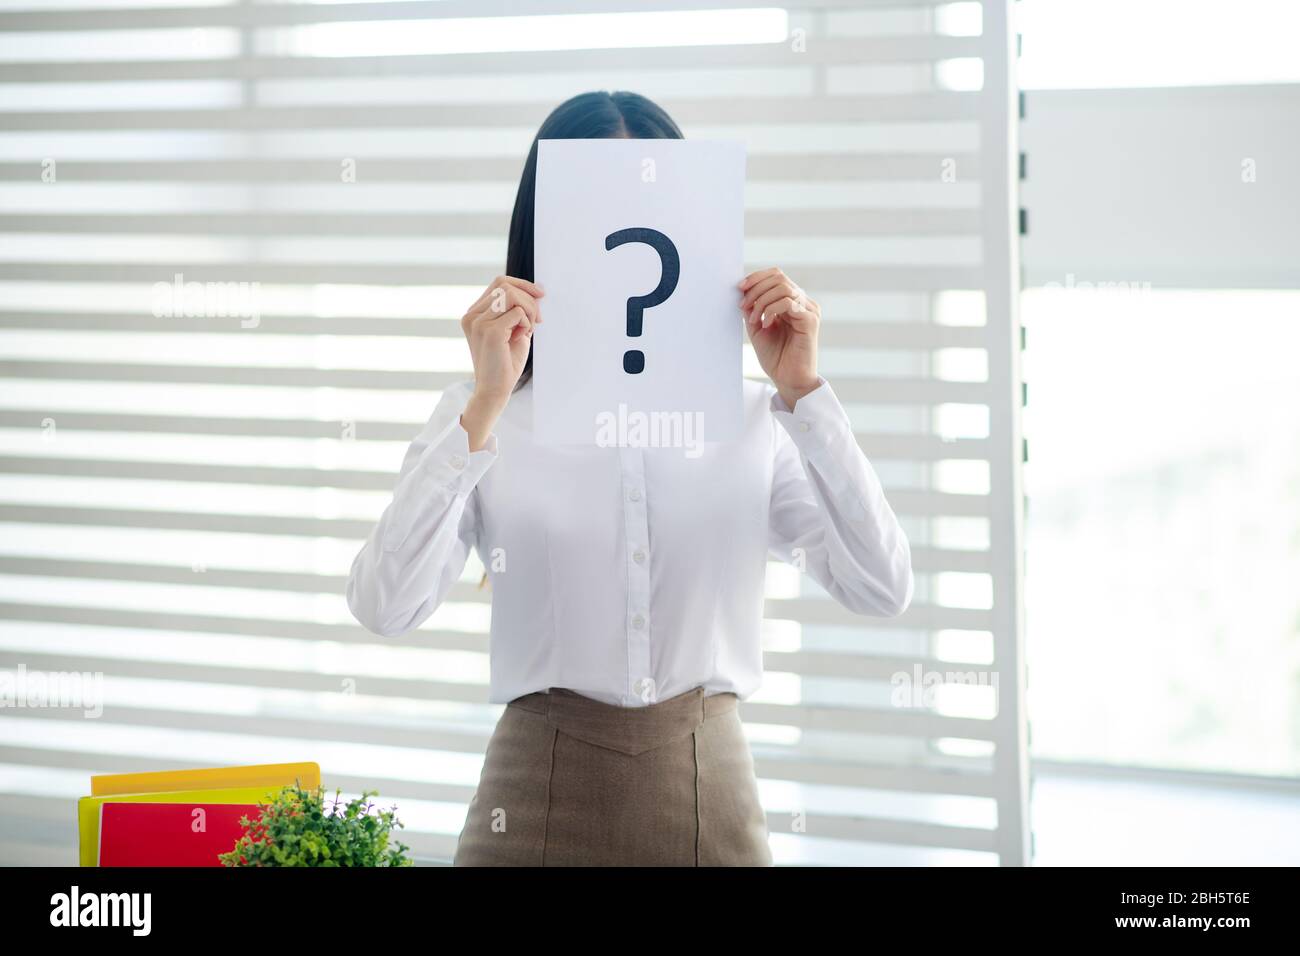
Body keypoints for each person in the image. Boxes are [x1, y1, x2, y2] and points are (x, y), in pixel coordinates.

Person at [346, 91, 914, 866]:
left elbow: (881, 585)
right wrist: (482, 404)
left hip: (710, 797)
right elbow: (384, 604)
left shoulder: (755, 416)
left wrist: (804, 395)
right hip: (534, 799)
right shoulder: (487, 414)